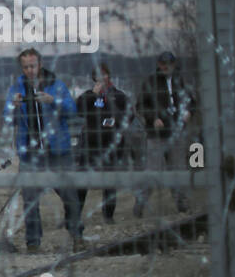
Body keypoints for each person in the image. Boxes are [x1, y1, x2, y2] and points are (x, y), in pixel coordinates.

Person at [2, 48, 83, 254]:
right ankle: (33, 242)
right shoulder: (17, 88)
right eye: (26, 67)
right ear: (22, 68)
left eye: (33, 65)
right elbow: (7, 118)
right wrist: (13, 106)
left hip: (58, 151)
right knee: (30, 197)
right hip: (31, 153)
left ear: (40, 64)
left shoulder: (56, 85)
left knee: (69, 194)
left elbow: (72, 110)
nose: (30, 70)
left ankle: (77, 235)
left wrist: (53, 101)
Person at [134, 50, 196, 216]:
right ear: (159, 65)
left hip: (177, 133)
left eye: (168, 64)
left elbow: (192, 102)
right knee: (153, 170)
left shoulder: (180, 82)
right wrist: (153, 118)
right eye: (162, 64)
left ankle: (181, 203)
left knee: (178, 169)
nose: (165, 67)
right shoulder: (151, 82)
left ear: (174, 65)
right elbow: (140, 105)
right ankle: (140, 203)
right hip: (157, 135)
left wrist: (189, 112)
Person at [75, 63, 129, 226]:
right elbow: (79, 109)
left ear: (109, 76)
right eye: (98, 76)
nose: (102, 78)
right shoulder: (89, 95)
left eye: (104, 74)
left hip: (111, 143)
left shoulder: (119, 95)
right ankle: (75, 215)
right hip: (90, 144)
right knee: (83, 180)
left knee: (110, 181)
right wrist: (93, 94)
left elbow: (129, 115)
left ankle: (108, 215)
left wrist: (115, 122)